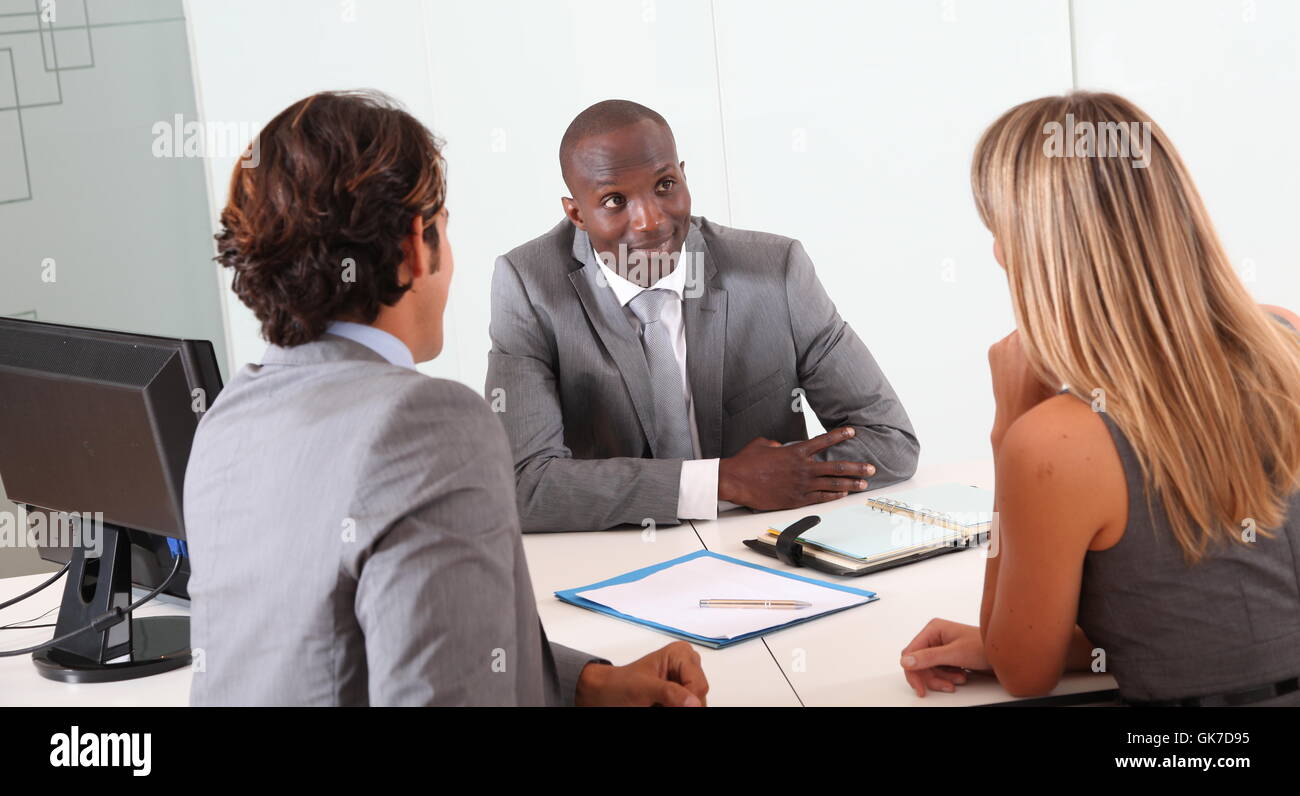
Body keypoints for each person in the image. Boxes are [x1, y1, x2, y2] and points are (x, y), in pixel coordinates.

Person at [185, 90, 708, 706]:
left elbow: (339, 650)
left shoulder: (229, 416)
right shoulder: (428, 425)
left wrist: (588, 685)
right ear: (415, 244)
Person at [900, 91, 1300, 706]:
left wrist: (1009, 427)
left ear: (1046, 250)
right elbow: (1230, 614)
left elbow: (1021, 674)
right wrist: (1074, 641)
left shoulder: (1054, 441)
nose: (998, 253)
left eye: (1002, 231)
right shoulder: (1286, 339)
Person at [486, 99, 919, 533]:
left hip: (758, 547)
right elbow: (523, 487)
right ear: (577, 213)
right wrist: (724, 483)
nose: (651, 221)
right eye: (615, 200)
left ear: (683, 176)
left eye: (664, 185)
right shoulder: (529, 287)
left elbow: (891, 441)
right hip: (617, 560)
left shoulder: (775, 270)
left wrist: (789, 474)